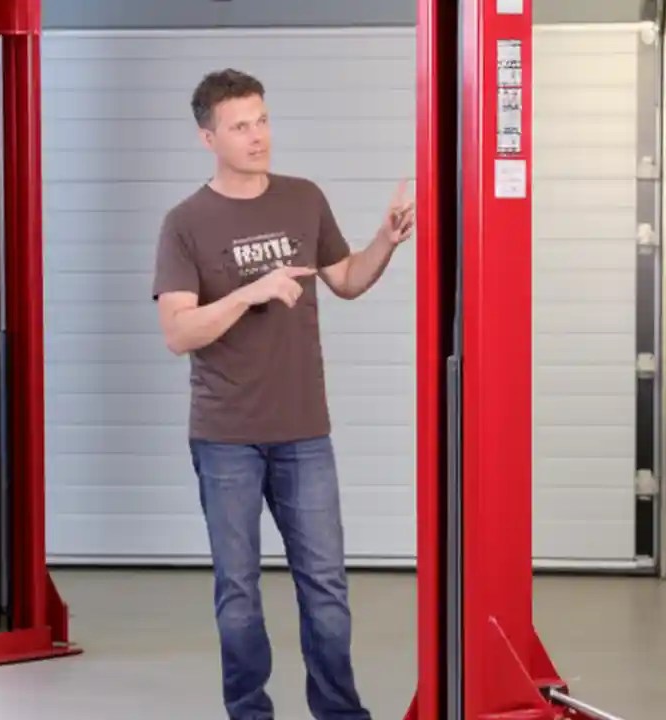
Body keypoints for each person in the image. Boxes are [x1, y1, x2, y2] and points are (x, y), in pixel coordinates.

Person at [150, 68, 415, 720]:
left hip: (304, 431)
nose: (257, 136)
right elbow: (178, 332)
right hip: (226, 437)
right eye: (240, 125)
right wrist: (249, 291)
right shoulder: (185, 222)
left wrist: (386, 238)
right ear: (206, 137)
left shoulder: (303, 198)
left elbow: (347, 279)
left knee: (325, 590)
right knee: (238, 596)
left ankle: (340, 714)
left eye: (262, 119)